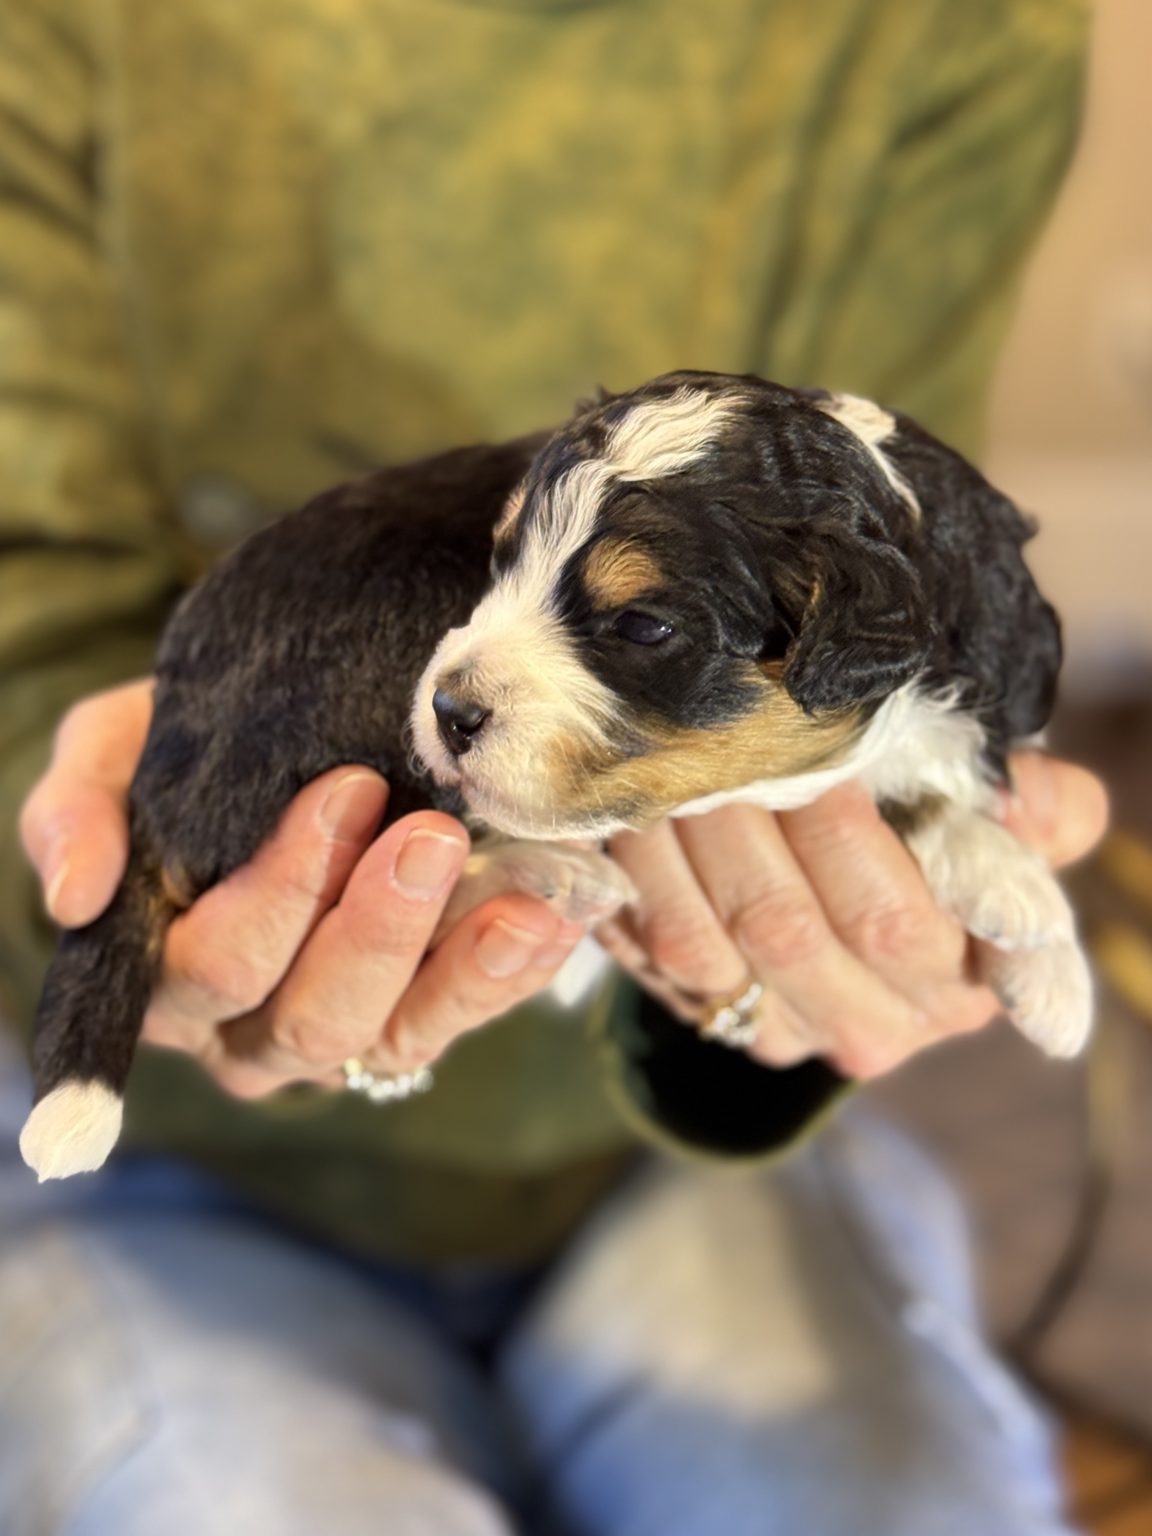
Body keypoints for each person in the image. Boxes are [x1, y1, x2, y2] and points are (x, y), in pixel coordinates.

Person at [0, 2, 1108, 1532]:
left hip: (664, 1166)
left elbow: (889, 598)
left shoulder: (944, 32)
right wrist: (101, 879)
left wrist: (825, 965)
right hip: (175, 1176)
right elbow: (27, 590)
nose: (464, 667)